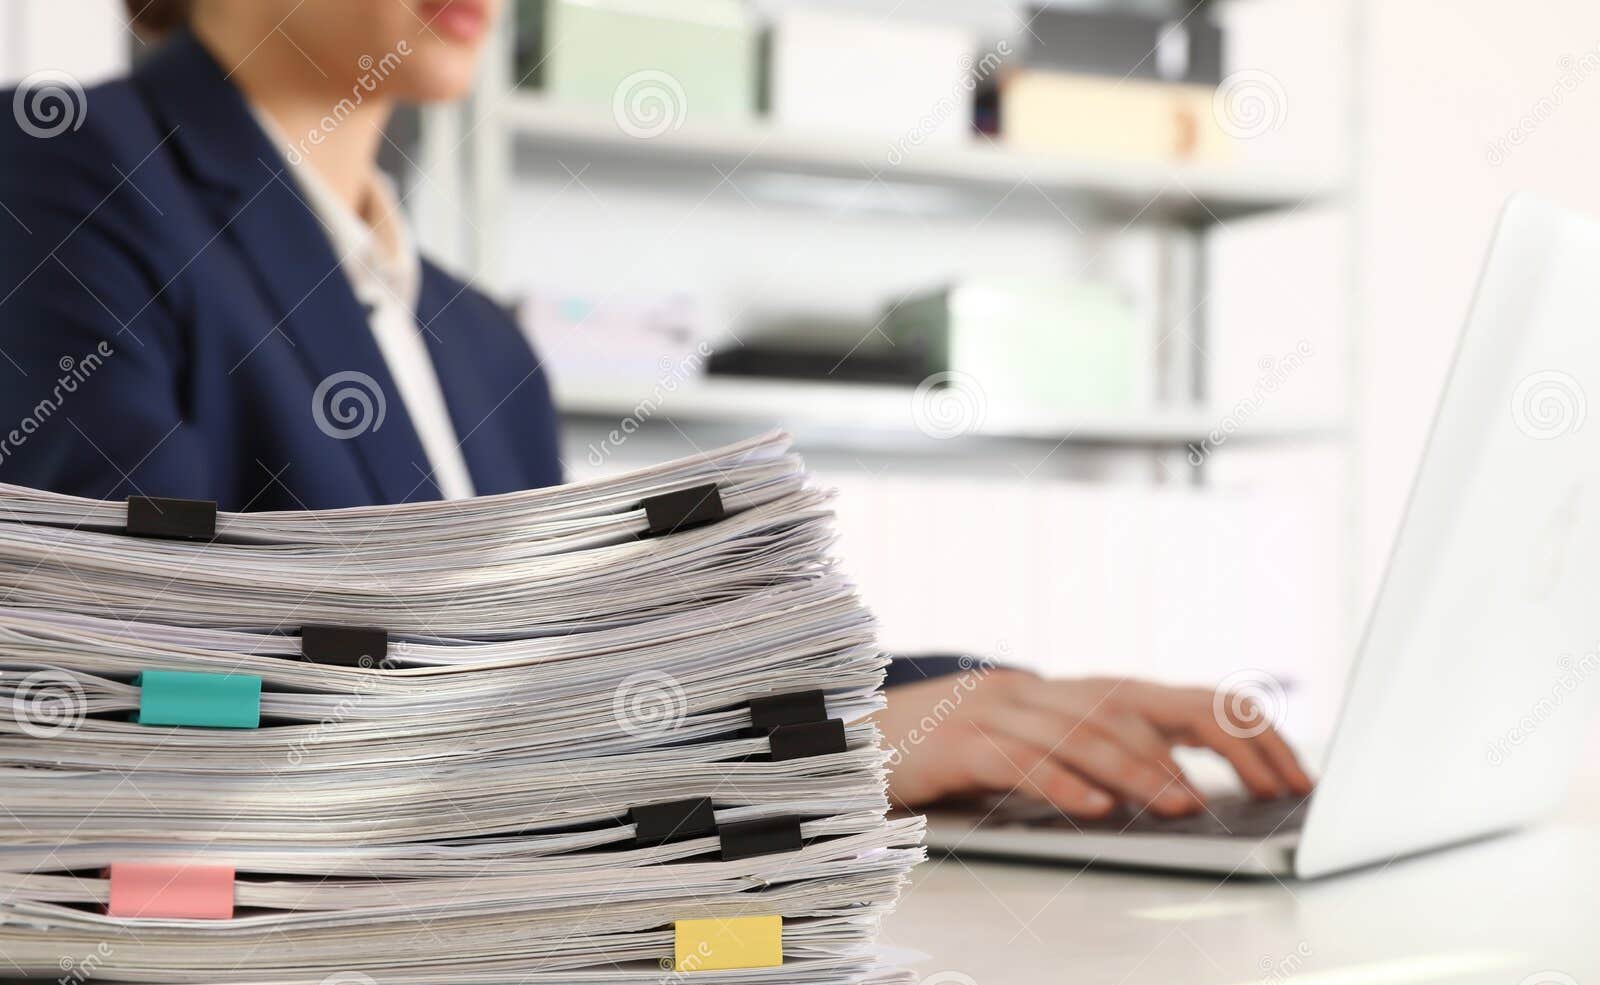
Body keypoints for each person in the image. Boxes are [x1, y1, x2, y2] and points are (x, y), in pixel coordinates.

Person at [0, 0, 1310, 821]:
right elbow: (148, 697)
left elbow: (565, 680)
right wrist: (812, 749)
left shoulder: (474, 335)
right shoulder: (63, 172)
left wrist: (957, 700)